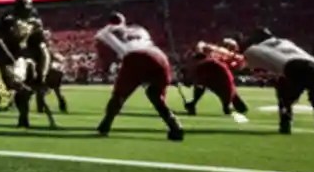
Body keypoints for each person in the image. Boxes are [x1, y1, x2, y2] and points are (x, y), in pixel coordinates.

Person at [93, 13, 184, 141]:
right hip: (159, 56)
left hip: (135, 57)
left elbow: (106, 55)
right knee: (155, 94)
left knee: (119, 96)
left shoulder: (103, 32)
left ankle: (105, 125)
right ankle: (175, 126)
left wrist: (106, 69)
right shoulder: (139, 29)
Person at [242, 28, 314, 134]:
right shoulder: (285, 41)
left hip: (292, 67)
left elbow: (259, 69)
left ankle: (285, 120)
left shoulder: (255, 49)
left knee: (284, 97)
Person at [0, 0, 40, 128]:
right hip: (0, 60)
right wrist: (11, 57)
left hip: (17, 61)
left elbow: (36, 44)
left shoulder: (33, 23)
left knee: (23, 91)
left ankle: (23, 119)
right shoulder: (8, 20)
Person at [182, 39, 249, 119]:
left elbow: (200, 45)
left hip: (213, 72)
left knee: (201, 85)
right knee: (204, 85)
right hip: (212, 71)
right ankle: (227, 104)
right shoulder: (224, 54)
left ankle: (193, 103)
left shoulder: (217, 52)